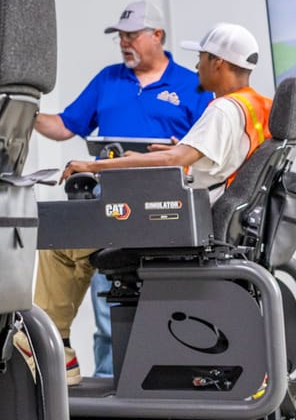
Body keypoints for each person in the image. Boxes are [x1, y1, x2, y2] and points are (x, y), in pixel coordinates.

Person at [33, 22, 271, 385]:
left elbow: (173, 163)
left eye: (202, 59)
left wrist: (94, 164)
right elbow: (209, 160)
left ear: (219, 63)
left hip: (183, 229)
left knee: (62, 240)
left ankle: (54, 351)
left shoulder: (223, 110)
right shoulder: (258, 106)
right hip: (206, 225)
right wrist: (177, 150)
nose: (197, 67)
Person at [31, 0, 210, 382]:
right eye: (120, 37)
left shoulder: (191, 84)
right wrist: (24, 113)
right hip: (110, 203)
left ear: (157, 36)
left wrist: (178, 151)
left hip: (165, 206)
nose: (124, 43)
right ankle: (96, 374)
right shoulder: (109, 79)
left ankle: (132, 382)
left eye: (131, 35)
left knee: (128, 303)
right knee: (97, 296)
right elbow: (65, 126)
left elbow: (205, 152)